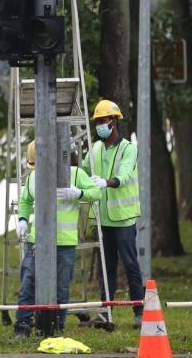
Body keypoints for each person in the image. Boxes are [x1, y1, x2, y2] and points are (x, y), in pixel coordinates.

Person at [13, 140, 102, 338]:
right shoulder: (33, 177)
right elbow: (26, 200)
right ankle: (23, 325)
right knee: (28, 283)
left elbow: (97, 193)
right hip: (36, 241)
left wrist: (79, 193)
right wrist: (22, 220)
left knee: (61, 287)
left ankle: (57, 326)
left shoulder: (76, 174)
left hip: (65, 243)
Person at [80, 99, 143, 330]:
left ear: (114, 121)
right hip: (103, 219)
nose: (99, 125)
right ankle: (106, 313)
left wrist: (106, 182)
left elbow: (124, 176)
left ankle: (139, 311)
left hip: (123, 219)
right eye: (97, 122)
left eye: (103, 121)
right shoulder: (96, 148)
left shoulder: (128, 149)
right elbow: (83, 171)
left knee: (130, 264)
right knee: (106, 268)